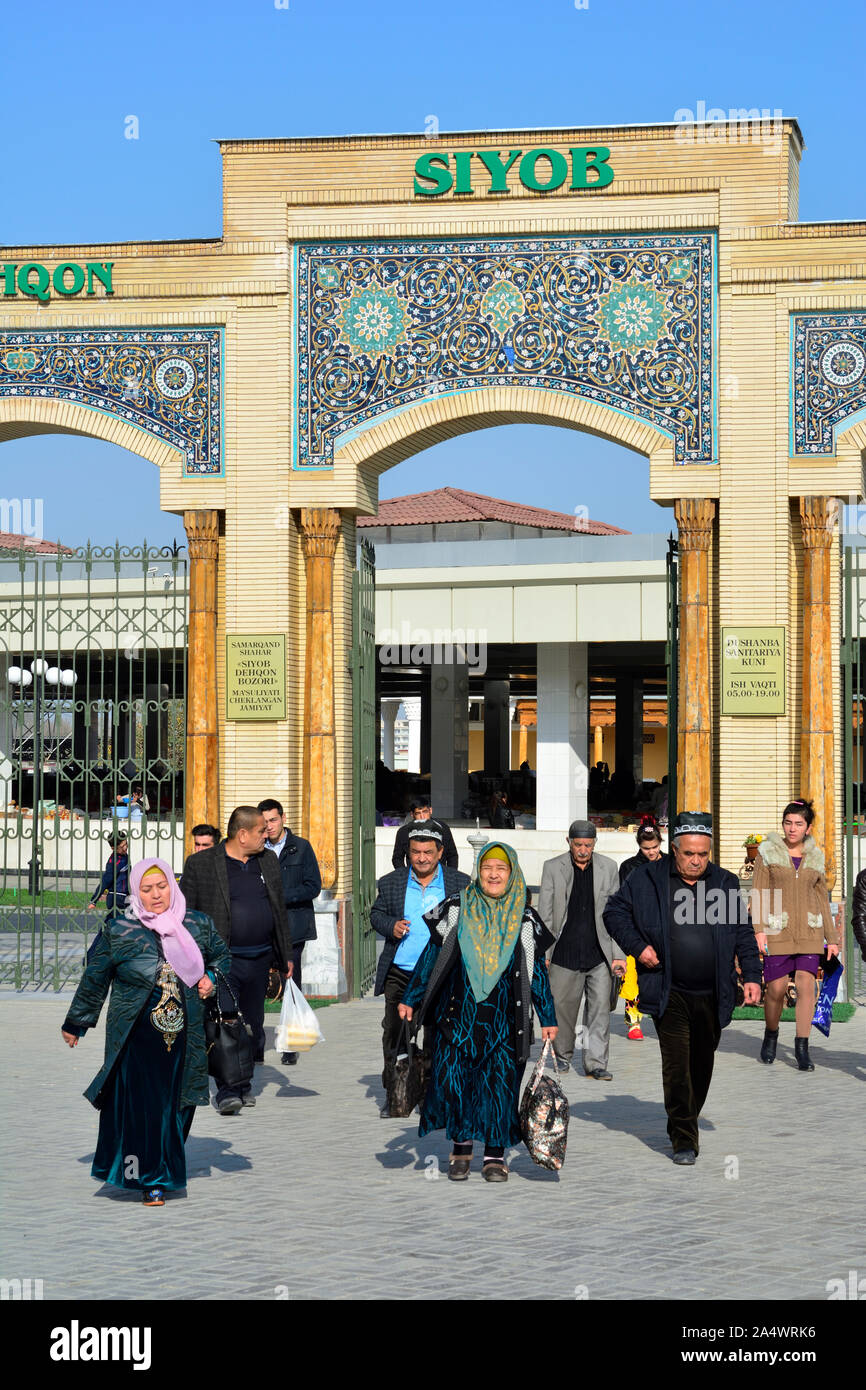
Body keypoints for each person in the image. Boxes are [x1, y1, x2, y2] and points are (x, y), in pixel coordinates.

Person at [60, 859, 230, 1206]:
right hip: (136, 1036)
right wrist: (77, 1022)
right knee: (146, 1108)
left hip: (186, 1037)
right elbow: (96, 976)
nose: (156, 895)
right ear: (136, 892)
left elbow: (222, 957)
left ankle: (161, 1162)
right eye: (147, 889)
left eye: (162, 886)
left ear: (173, 885)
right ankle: (152, 1178)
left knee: (179, 1107)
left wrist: (210, 978)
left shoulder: (197, 924)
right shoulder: (121, 928)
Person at [603, 812, 763, 1165]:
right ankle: (684, 1138)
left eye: (703, 854)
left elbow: (742, 933)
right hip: (668, 988)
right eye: (689, 853)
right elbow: (614, 913)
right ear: (674, 849)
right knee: (677, 1065)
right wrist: (638, 947)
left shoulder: (724, 883)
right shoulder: (647, 878)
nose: (696, 861)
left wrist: (751, 975)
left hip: (712, 991)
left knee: (701, 1065)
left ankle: (684, 1116)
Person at [398, 843, 558, 1182]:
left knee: (499, 1088)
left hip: (504, 1022)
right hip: (457, 1019)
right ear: (478, 872)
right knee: (456, 1084)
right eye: (487, 868)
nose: (494, 874)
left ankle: (495, 1157)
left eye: (501, 869)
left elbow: (537, 975)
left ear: (512, 874)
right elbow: (431, 957)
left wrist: (548, 1018)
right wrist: (410, 997)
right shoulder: (457, 909)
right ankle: (460, 1151)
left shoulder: (525, 919)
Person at [180, 806, 293, 1114]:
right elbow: (186, 917)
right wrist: (194, 963)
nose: (266, 835)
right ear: (242, 835)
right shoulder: (202, 864)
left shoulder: (267, 861)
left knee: (253, 1026)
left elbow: (278, 911)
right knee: (226, 1024)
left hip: (260, 961)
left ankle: (244, 1082)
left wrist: (286, 957)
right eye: (260, 831)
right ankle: (228, 1091)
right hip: (223, 962)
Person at [371, 822, 469, 1117]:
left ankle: (430, 1096)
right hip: (402, 973)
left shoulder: (460, 884)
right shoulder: (391, 883)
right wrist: (391, 926)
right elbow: (376, 914)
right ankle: (397, 1093)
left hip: (441, 975)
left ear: (440, 853)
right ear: (408, 853)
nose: (422, 858)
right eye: (416, 852)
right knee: (396, 1035)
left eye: (428, 852)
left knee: (437, 1036)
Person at [751, 798, 841, 1071]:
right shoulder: (767, 853)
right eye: (788, 823)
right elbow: (759, 893)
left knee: (806, 987)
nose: (792, 828)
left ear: (808, 827)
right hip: (777, 929)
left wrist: (832, 938)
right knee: (776, 989)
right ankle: (771, 1034)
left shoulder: (815, 856)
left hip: (810, 931)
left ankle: (802, 1046)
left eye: (798, 824)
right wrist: (759, 930)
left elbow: (822, 900)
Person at [538, 820, 626, 1079]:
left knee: (599, 1010)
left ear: (595, 843)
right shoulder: (553, 868)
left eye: (588, 845)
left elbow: (615, 915)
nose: (583, 850)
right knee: (564, 1009)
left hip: (599, 952)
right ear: (569, 842)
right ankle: (562, 1057)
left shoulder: (608, 868)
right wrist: (544, 953)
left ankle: (596, 1062)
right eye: (578, 845)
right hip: (563, 951)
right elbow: (546, 914)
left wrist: (618, 955)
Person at [258, 797, 322, 1066]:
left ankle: (290, 1044)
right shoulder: (257, 850)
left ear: (283, 819)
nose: (269, 826)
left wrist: (280, 895)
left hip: (293, 927)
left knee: (290, 983)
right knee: (257, 984)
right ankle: (255, 1045)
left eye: (273, 820)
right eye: (264, 822)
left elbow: (313, 887)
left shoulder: (301, 848)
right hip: (262, 927)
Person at [617, 817, 668, 1041]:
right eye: (646, 848)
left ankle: (665, 1017)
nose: (651, 852)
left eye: (655, 847)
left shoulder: (670, 863)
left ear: (661, 843)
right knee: (632, 979)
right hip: (636, 930)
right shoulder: (628, 866)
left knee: (665, 975)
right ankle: (633, 1022)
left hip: (665, 928)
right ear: (639, 845)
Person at [392, 800, 459, 870]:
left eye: (425, 812)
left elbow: (452, 855)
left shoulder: (443, 828)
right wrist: (404, 876)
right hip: (413, 875)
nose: (422, 816)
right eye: (418, 813)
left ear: (430, 810)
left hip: (440, 875)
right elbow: (397, 858)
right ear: (412, 814)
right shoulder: (403, 832)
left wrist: (450, 875)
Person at [87, 832, 130, 917]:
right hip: (116, 898)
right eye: (122, 847)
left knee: (113, 923)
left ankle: (103, 930)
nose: (125, 848)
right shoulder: (114, 862)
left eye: (126, 844)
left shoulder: (125, 856)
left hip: (124, 897)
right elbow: (105, 881)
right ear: (113, 848)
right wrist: (94, 901)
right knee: (120, 923)